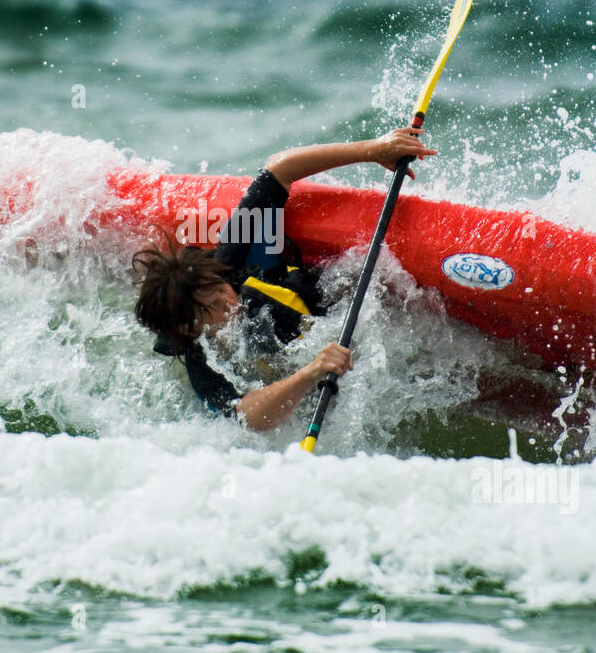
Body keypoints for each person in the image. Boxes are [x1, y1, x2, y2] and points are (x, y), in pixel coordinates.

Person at [132, 130, 436, 431]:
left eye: (222, 290)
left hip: (320, 304)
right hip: (305, 374)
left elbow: (279, 168)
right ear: (190, 326)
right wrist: (311, 372)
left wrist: (373, 149)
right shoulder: (204, 366)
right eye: (213, 306)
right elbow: (250, 417)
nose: (229, 300)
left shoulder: (225, 264)